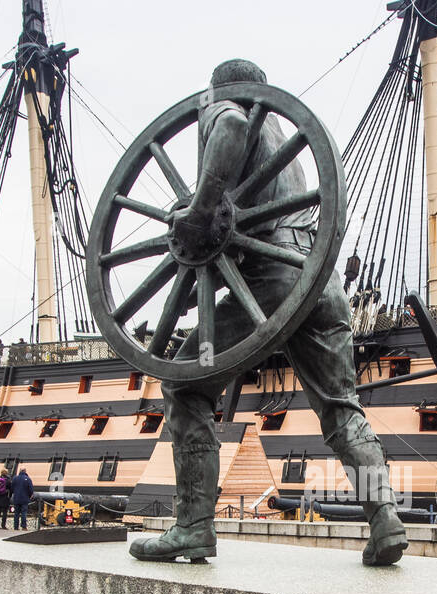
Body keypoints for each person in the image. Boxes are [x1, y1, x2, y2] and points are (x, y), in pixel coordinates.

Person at [131, 58, 407, 567]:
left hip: (271, 281)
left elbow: (231, 128)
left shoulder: (230, 112)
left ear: (223, 89)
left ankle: (193, 527)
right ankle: (384, 515)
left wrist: (198, 209)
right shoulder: (283, 139)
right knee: (342, 408)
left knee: (185, 387)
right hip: (321, 284)